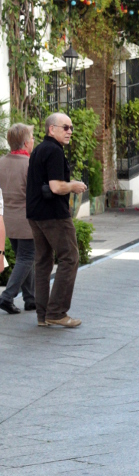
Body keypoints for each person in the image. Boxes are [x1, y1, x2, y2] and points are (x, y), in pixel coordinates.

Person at [26, 112, 87, 328]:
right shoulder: (53, 151)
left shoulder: (38, 150)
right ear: (52, 129)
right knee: (70, 258)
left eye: (71, 127)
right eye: (66, 127)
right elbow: (56, 186)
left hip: (35, 214)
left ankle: (43, 315)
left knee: (42, 262)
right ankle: (57, 312)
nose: (70, 131)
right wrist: (74, 185)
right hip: (53, 215)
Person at [0, 124, 35, 315]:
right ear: (26, 142)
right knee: (27, 257)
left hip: (8, 220)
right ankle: (7, 296)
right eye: (32, 138)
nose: (33, 141)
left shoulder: (1, 162)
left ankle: (30, 299)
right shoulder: (30, 164)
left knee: (24, 258)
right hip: (26, 219)